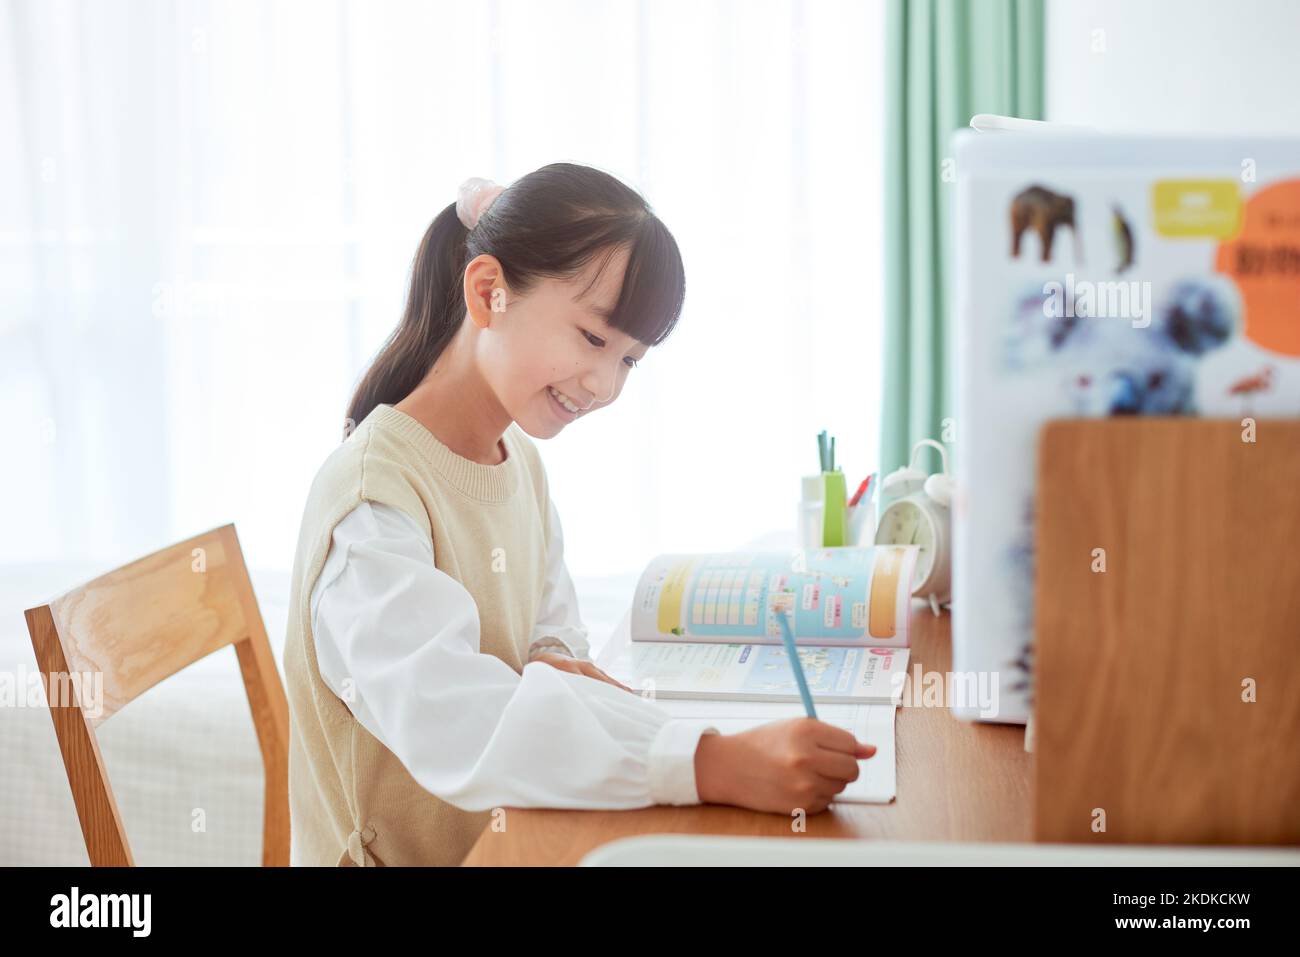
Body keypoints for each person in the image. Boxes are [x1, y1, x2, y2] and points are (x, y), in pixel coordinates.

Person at [283, 163, 875, 866]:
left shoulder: (516, 462)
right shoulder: (371, 503)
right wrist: (712, 763)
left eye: (631, 360)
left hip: (523, 837)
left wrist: (572, 673)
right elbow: (459, 721)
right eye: (594, 340)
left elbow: (552, 636)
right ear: (488, 291)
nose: (604, 385)